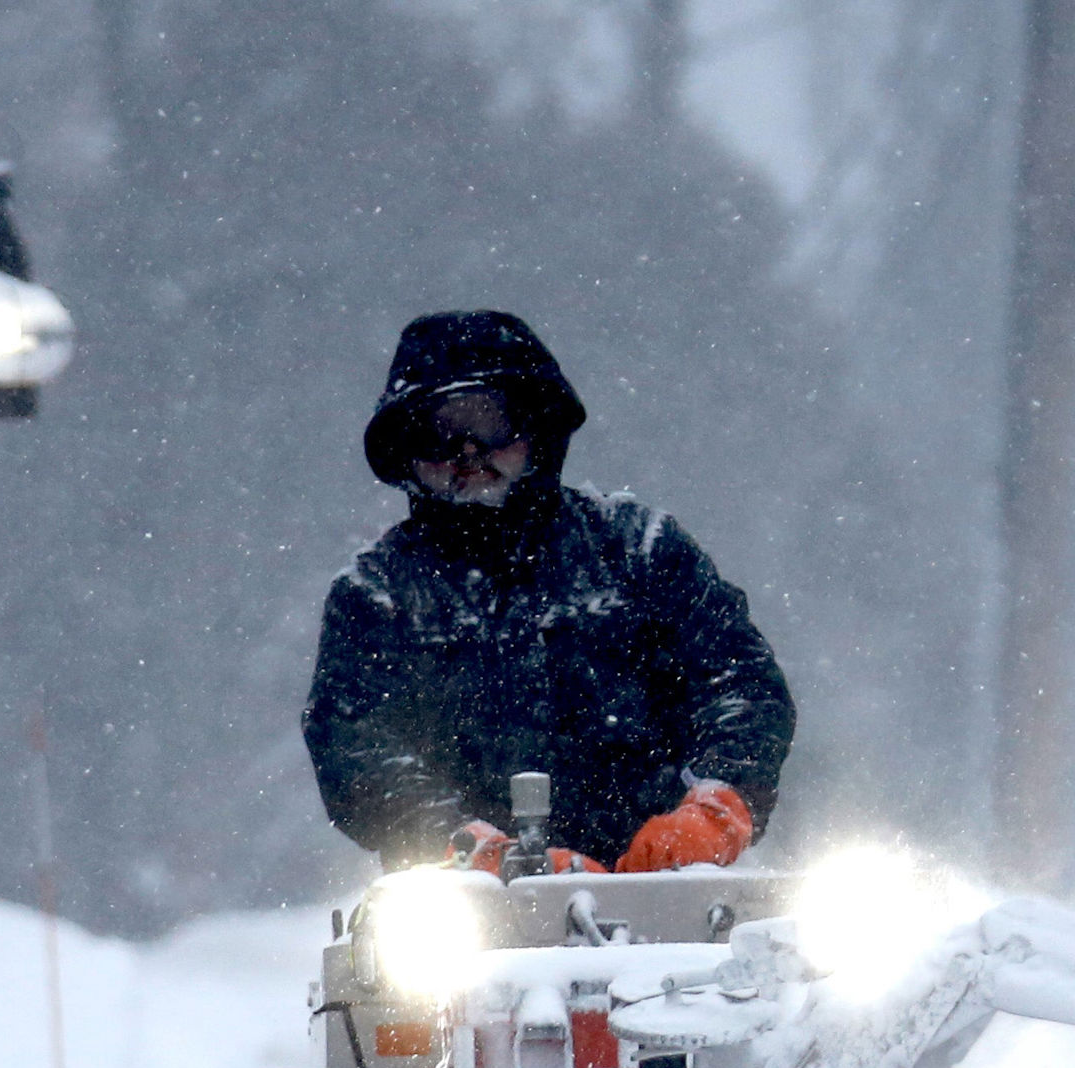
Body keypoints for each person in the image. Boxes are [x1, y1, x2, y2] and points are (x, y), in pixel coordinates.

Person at [304, 310, 794, 876]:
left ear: (536, 429)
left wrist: (716, 806)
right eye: (439, 435)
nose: (467, 455)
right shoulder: (377, 594)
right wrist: (462, 846)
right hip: (460, 922)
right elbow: (356, 746)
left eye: (487, 425)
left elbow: (739, 682)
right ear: (409, 456)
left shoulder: (639, 549)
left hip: (670, 895)